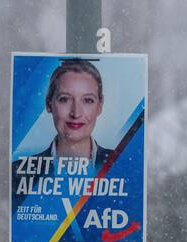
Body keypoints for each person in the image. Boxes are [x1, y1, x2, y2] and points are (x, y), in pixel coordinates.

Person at [12, 58, 112, 212]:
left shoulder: (120, 166)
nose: (76, 113)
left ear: (100, 105)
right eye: (64, 99)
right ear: (49, 103)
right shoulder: (19, 172)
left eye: (88, 100)